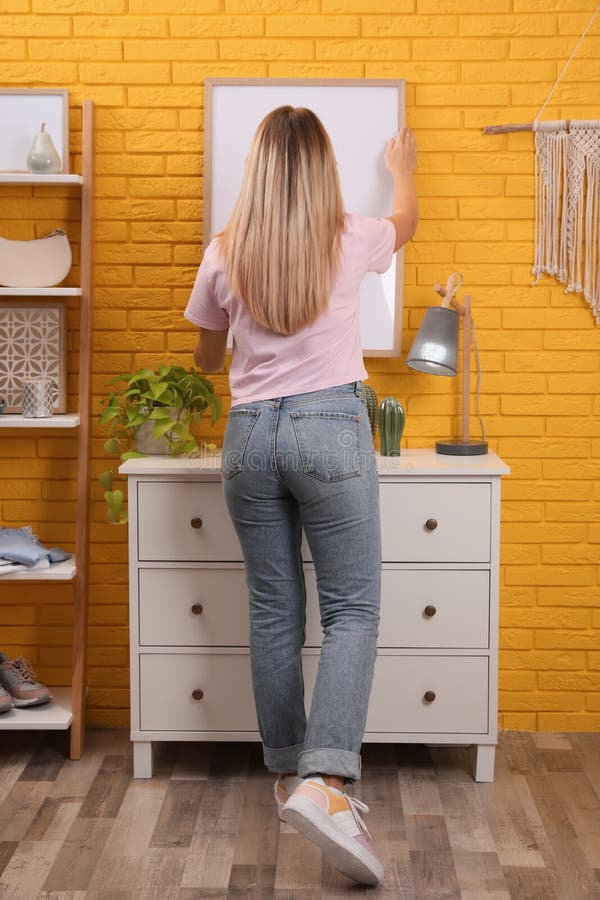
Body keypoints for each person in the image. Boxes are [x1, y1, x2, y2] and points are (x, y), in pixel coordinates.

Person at [184, 106, 418, 886]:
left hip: (248, 435)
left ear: (254, 170)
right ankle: (328, 782)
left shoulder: (224, 251)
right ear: (322, 169)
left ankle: (290, 776)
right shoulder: (352, 235)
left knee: (273, 609)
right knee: (353, 608)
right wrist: (403, 169)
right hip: (329, 427)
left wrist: (239, 329)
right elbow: (406, 224)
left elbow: (207, 359)